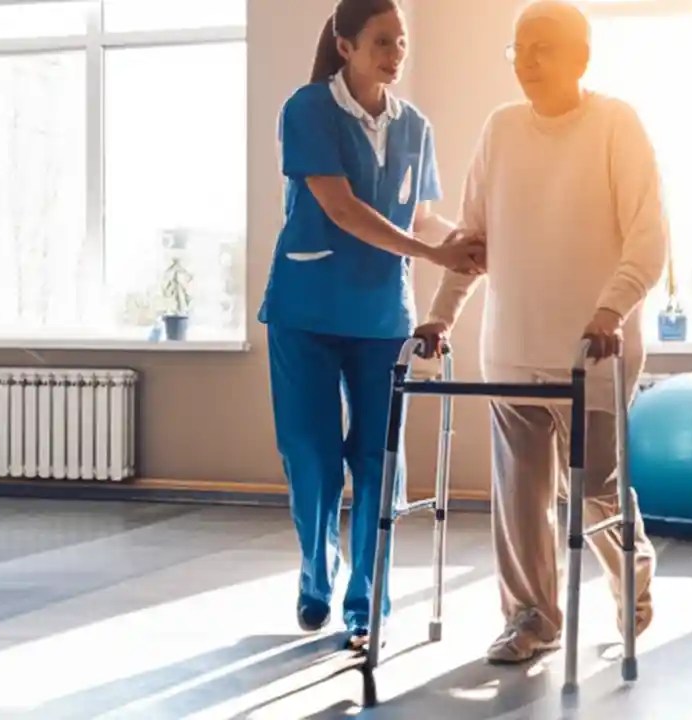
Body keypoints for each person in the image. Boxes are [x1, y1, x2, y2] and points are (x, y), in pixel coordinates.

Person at [414, 0, 668, 664]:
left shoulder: (616, 124)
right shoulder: (500, 131)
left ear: (581, 56)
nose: (525, 62)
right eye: (517, 49)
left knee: (595, 492)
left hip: (595, 351)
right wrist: (441, 315)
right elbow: (474, 238)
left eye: (541, 48)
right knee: (523, 497)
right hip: (513, 346)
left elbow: (648, 237)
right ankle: (531, 618)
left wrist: (612, 309)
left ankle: (633, 579)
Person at [259, 0, 485, 649]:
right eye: (382, 40)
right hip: (306, 308)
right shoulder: (306, 109)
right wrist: (435, 252)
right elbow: (342, 209)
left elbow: (421, 221)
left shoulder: (415, 125)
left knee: (378, 462)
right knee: (313, 456)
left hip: (383, 316)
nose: (395, 53)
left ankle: (367, 599)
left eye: (401, 42)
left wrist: (468, 244)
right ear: (345, 44)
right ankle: (315, 568)